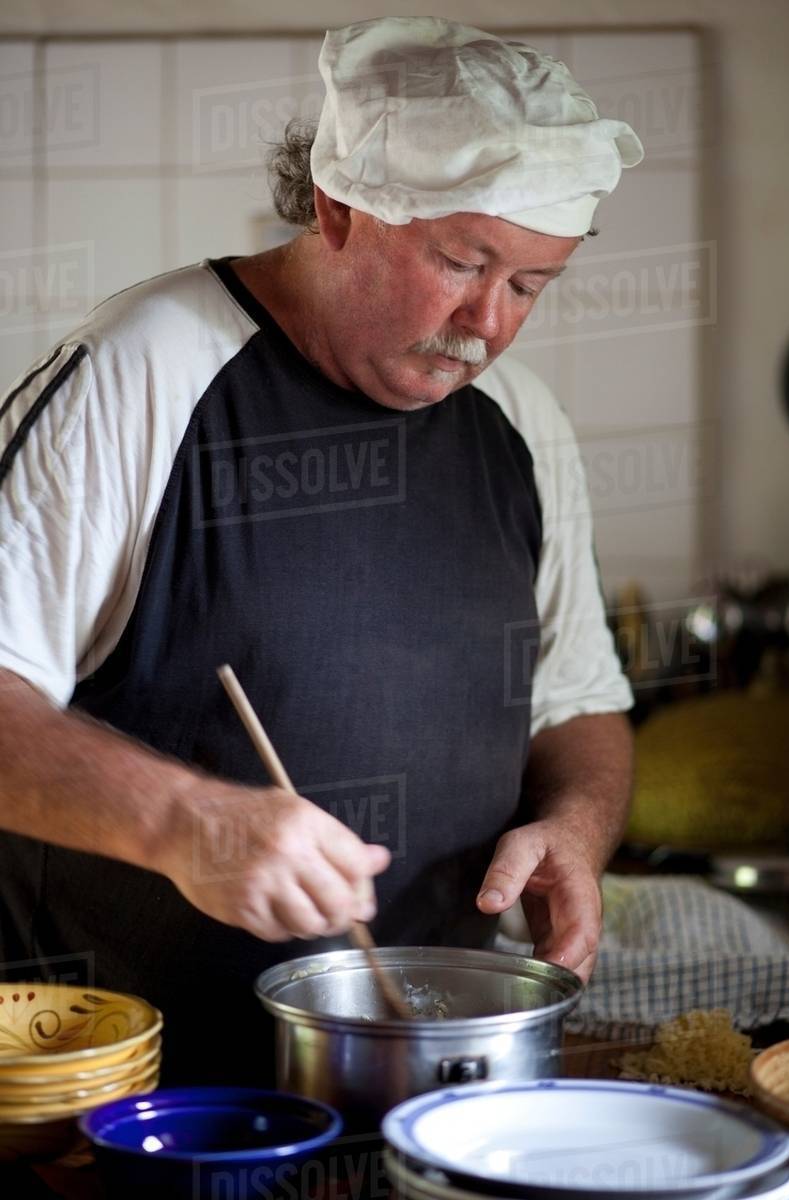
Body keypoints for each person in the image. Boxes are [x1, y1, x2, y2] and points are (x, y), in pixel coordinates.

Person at [0, 17, 642, 1085]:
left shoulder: (518, 423)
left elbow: (574, 700)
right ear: (339, 209)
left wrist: (573, 828)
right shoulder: (145, 369)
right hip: (125, 1096)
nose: (484, 321)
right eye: (459, 260)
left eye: (530, 285)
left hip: (424, 1076)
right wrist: (181, 820)